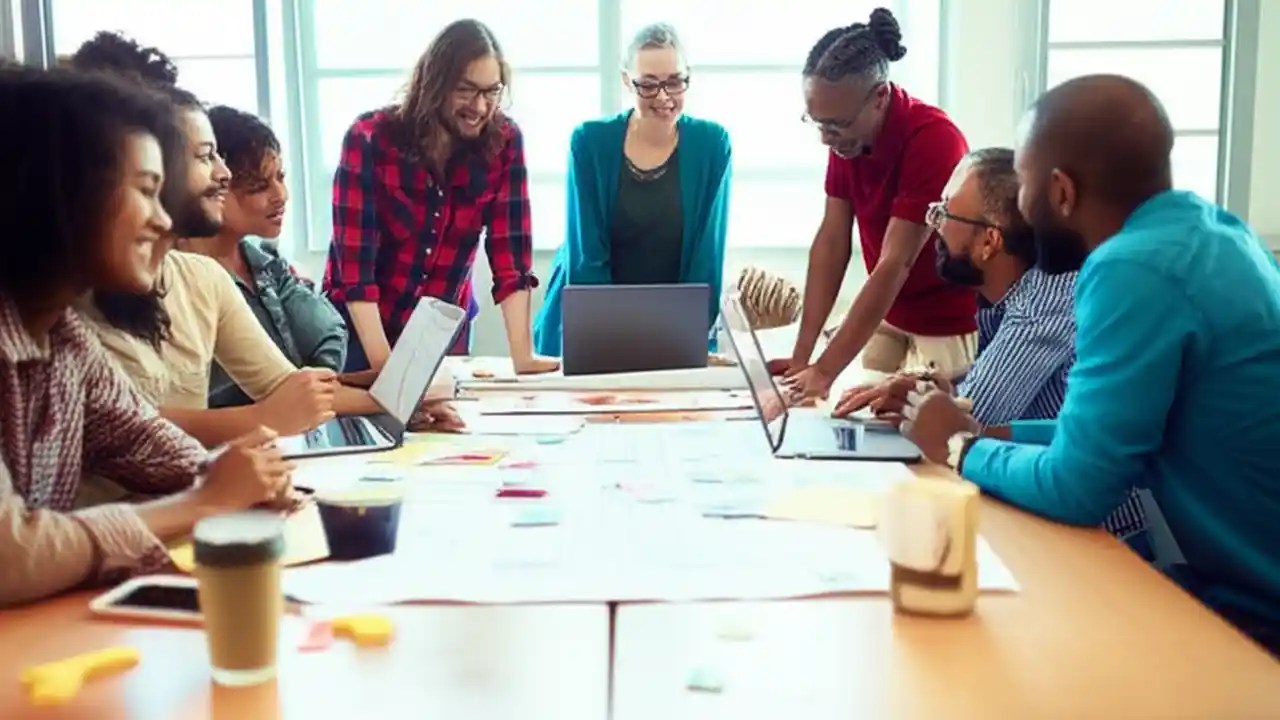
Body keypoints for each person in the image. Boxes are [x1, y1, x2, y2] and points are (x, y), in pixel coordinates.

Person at [903, 75, 1280, 656]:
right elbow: (1114, 428)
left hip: (1248, 613)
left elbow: (1079, 486)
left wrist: (962, 450)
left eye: (1024, 187)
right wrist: (982, 432)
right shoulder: (1217, 234)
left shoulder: (1131, 267)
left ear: (1060, 191)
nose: (1021, 213)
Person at [71, 32, 462, 450]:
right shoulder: (67, 296)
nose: (223, 174)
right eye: (205, 156)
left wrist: (393, 405)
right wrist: (260, 421)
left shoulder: (206, 277)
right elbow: (116, 429)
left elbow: (287, 388)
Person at [0, 67, 292, 607]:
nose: (163, 222)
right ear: (61, 194)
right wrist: (203, 501)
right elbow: (9, 554)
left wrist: (245, 480)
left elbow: (152, 447)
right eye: (146, 193)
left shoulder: (65, 342)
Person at [833, 147, 1149, 546]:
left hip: (1109, 540)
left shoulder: (1044, 302)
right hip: (1050, 513)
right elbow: (966, 409)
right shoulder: (1007, 297)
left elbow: (961, 424)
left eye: (945, 213)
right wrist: (932, 387)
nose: (935, 228)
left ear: (989, 242)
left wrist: (930, 404)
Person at [322, 19, 556, 375]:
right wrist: (391, 380)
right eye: (466, 90)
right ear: (434, 84)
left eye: (491, 91)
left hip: (440, 327)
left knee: (444, 426)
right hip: (361, 329)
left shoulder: (505, 141)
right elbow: (354, 272)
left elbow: (512, 256)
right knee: (371, 424)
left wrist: (523, 357)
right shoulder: (368, 139)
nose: (479, 107)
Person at [776, 9, 975, 403]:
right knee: (845, 413)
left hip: (943, 321)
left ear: (880, 97)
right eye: (816, 123)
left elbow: (895, 263)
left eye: (834, 125)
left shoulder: (933, 138)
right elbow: (832, 243)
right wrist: (803, 358)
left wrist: (825, 370)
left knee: (922, 432)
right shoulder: (847, 137)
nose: (825, 138)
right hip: (891, 313)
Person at [532, 23, 732, 355]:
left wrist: (684, 337)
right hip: (590, 321)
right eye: (648, 85)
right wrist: (607, 339)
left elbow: (707, 259)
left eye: (675, 82)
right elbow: (586, 259)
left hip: (675, 325)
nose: (664, 97)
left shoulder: (712, 144)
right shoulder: (590, 142)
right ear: (627, 81)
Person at [183, 105, 348, 409]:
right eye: (259, 186)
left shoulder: (265, 262)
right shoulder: (188, 277)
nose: (281, 195)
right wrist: (390, 404)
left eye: (281, 177)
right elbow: (284, 392)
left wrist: (392, 400)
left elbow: (326, 345)